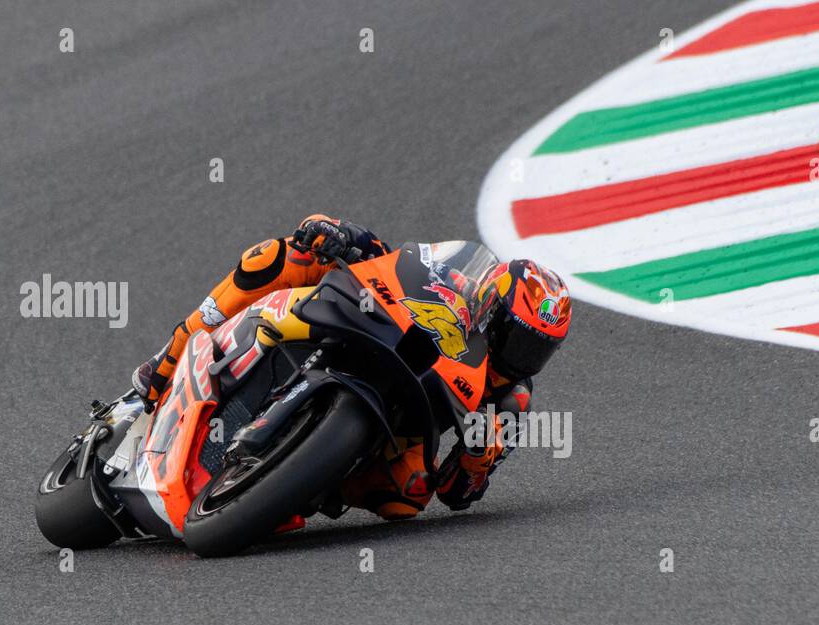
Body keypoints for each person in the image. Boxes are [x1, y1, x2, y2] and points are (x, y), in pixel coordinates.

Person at [131, 214, 572, 519]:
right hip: (371, 330)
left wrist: (479, 460)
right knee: (278, 256)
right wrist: (340, 233)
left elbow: (458, 494)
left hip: (412, 412)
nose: (523, 356)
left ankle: (300, 481)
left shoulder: (513, 399)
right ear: (489, 306)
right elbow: (391, 258)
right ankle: (169, 356)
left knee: (409, 496)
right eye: (518, 336)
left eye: (538, 349)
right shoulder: (455, 283)